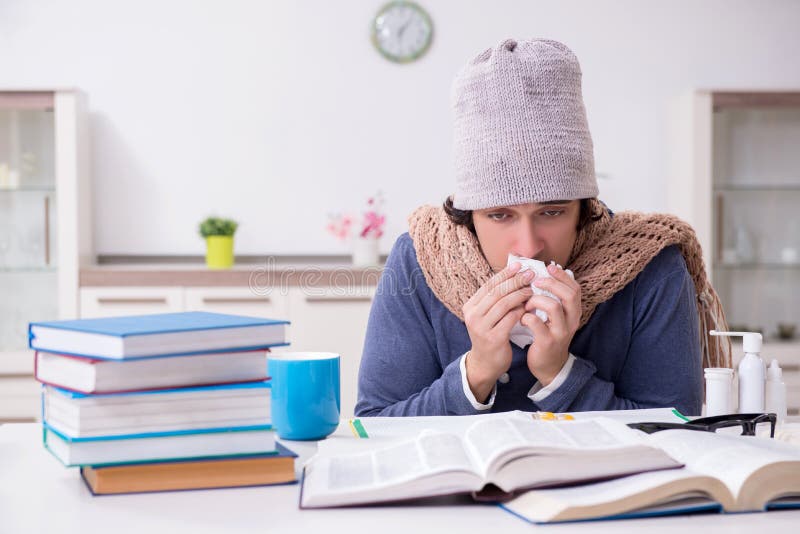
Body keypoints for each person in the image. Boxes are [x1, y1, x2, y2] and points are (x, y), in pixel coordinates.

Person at [355, 38, 729, 418]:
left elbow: (676, 428)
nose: (528, 246)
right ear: (469, 214)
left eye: (551, 212)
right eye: (500, 215)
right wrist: (477, 371)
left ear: (584, 207)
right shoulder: (420, 258)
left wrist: (560, 375)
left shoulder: (651, 265)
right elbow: (376, 423)